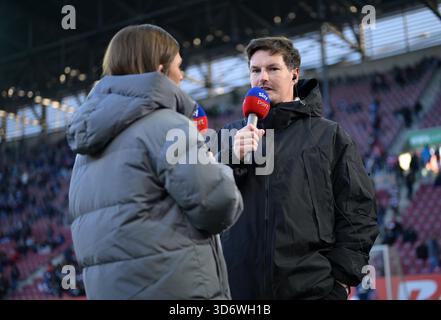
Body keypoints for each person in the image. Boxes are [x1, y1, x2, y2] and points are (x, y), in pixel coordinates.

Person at [66, 24, 243, 299]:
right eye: (179, 66)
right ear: (161, 70)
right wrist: (215, 162)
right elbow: (218, 204)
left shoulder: (83, 153)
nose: (182, 76)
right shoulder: (168, 125)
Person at [218, 37, 379, 299]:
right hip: (239, 291)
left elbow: (358, 210)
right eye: (255, 70)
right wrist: (232, 158)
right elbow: (208, 203)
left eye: (272, 68)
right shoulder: (229, 136)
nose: (262, 78)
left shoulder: (329, 136)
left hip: (312, 291)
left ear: (294, 74)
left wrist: (339, 278)